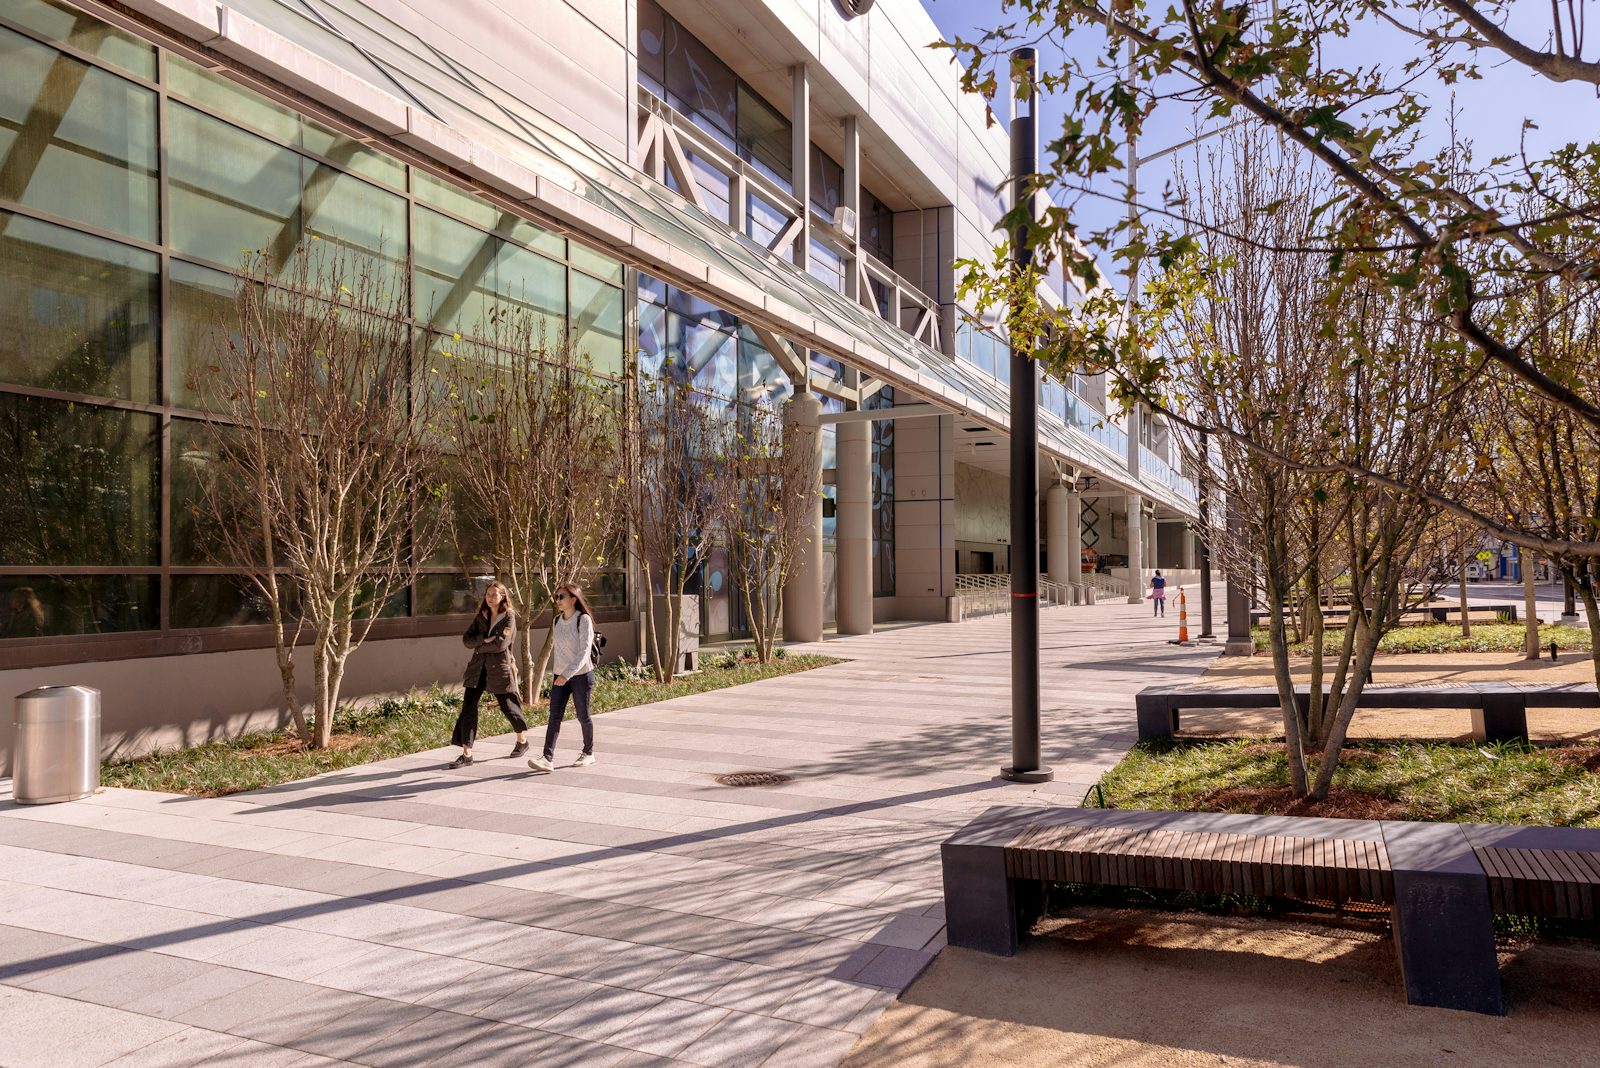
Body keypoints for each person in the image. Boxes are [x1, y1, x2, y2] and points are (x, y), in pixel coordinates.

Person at [446, 581, 529, 769]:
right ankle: (467, 754)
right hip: (478, 668)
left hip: (499, 668)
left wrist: (480, 647)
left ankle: (522, 740)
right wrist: (484, 639)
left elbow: (500, 644)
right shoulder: (481, 616)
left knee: (508, 707)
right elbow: (467, 640)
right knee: (468, 708)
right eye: (488, 594)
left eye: (494, 594)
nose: (490, 597)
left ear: (503, 597)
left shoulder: (508, 617)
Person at [528, 582, 596, 773]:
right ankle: (547, 758)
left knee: (583, 715)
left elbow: (584, 652)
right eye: (556, 597)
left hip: (581, 675)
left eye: (561, 597)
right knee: (554, 716)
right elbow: (559, 652)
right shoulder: (557, 620)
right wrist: (559, 674)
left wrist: (567, 674)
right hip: (560, 676)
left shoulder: (583, 620)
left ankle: (588, 753)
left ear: (573, 599)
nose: (557, 600)